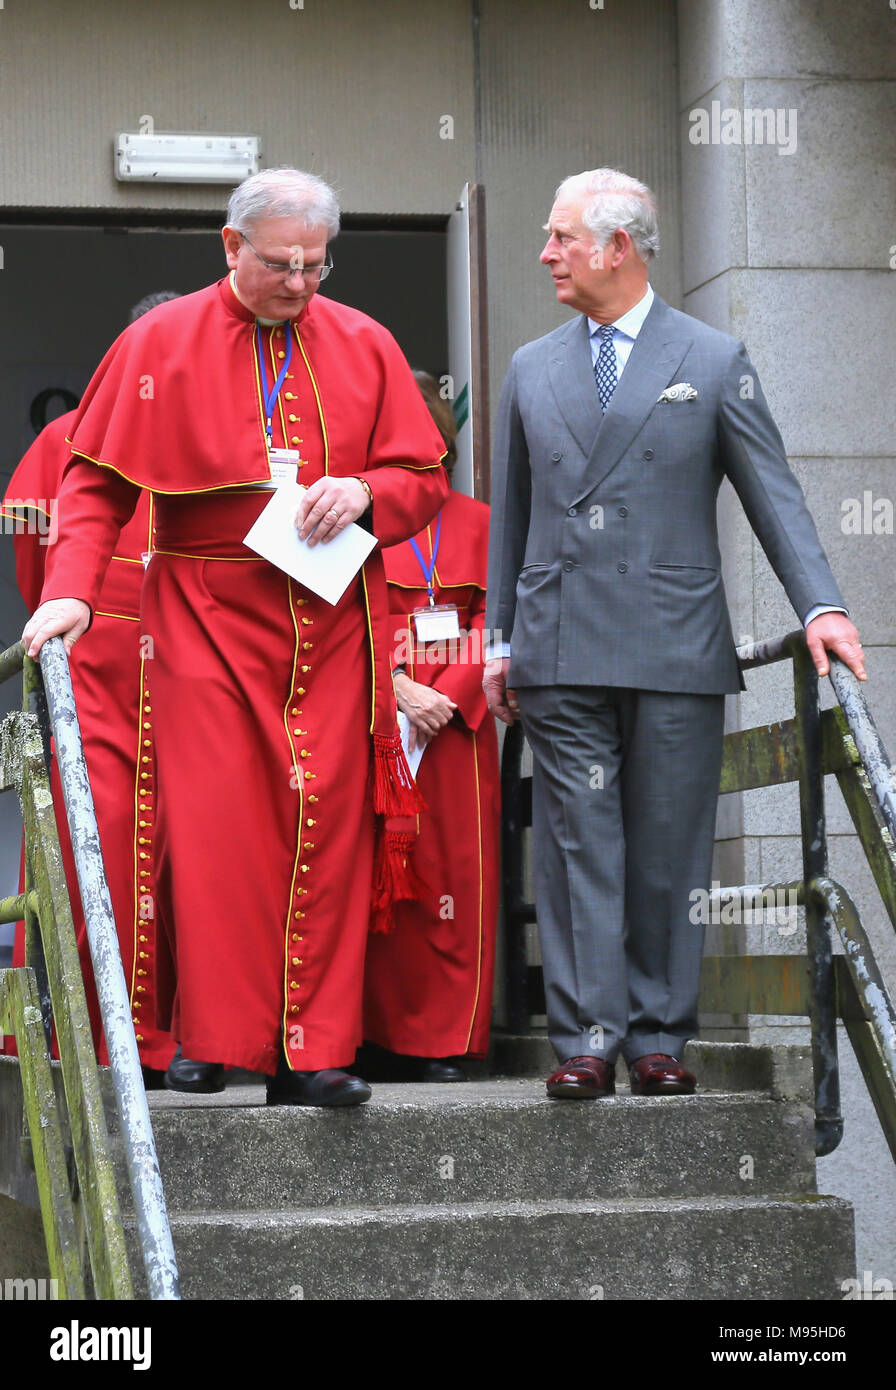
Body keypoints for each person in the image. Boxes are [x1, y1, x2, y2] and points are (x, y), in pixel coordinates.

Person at [22, 167, 449, 1107]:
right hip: (204, 614)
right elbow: (93, 492)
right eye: (280, 264)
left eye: (315, 266)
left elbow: (423, 476)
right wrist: (70, 595)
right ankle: (215, 1039)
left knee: (324, 827)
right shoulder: (157, 341)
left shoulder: (365, 343)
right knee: (218, 832)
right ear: (230, 246)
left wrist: (370, 491)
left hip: (332, 625)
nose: (300, 285)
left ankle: (315, 1052)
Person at [484, 167, 865, 1100]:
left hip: (674, 645)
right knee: (577, 847)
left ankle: (659, 1036)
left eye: (561, 237)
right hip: (561, 645)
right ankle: (584, 1039)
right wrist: (499, 640)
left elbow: (775, 493)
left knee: (667, 847)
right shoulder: (532, 366)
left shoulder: (711, 356)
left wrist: (821, 606)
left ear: (618, 247)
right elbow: (513, 514)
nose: (545, 254)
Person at [2, 292, 181, 1081]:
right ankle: (81, 1039)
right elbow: (34, 562)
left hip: (193, 668)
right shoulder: (59, 438)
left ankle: (177, 1042)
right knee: (86, 853)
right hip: (97, 671)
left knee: (188, 863)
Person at [362, 371, 499, 1081]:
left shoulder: (480, 521)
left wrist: (444, 695)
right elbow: (351, 617)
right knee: (385, 880)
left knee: (454, 878)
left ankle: (448, 1037)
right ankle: (381, 1034)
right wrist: (401, 688)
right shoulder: (359, 520)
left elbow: (496, 621)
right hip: (382, 722)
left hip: (457, 731)